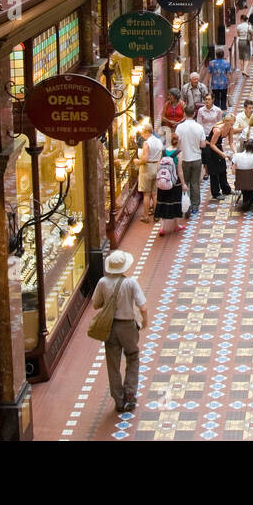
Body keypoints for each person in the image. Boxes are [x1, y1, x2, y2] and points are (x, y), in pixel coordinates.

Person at [90, 250, 148, 413]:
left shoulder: (102, 282)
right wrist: (145, 321)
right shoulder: (130, 283)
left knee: (113, 364)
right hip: (127, 326)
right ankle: (130, 394)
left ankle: (119, 400)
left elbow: (96, 304)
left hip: (110, 327)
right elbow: (142, 306)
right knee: (132, 357)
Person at [154, 132, 186, 236]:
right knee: (175, 202)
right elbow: (180, 170)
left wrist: (159, 178)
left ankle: (162, 227)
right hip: (174, 182)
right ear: (178, 142)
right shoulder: (179, 153)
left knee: (162, 202)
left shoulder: (163, 152)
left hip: (163, 181)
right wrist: (183, 183)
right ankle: (176, 225)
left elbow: (158, 167)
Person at [175, 115, 206, 217]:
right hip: (196, 158)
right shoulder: (199, 127)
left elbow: (176, 142)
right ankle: (195, 206)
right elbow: (203, 145)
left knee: (185, 183)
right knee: (195, 183)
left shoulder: (179, 127)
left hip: (183, 159)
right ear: (194, 114)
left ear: (184, 114)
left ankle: (185, 206)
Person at [136, 122, 164, 222]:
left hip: (147, 168)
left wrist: (138, 161)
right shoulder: (159, 141)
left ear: (147, 132)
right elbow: (161, 156)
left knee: (147, 194)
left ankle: (145, 216)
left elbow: (145, 159)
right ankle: (156, 215)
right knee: (155, 193)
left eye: (143, 133)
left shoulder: (146, 143)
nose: (142, 136)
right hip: (156, 166)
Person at [203, 116, 233, 201]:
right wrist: (222, 154)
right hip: (210, 148)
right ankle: (215, 193)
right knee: (214, 171)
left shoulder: (230, 128)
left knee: (223, 168)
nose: (232, 125)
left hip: (218, 147)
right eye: (231, 123)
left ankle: (226, 189)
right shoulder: (218, 130)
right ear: (226, 122)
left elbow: (231, 142)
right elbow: (212, 144)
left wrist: (235, 152)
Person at [231, 140, 253, 210]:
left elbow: (233, 171)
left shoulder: (236, 155)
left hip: (239, 183)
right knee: (251, 181)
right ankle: (248, 202)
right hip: (252, 183)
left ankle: (246, 201)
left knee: (245, 182)